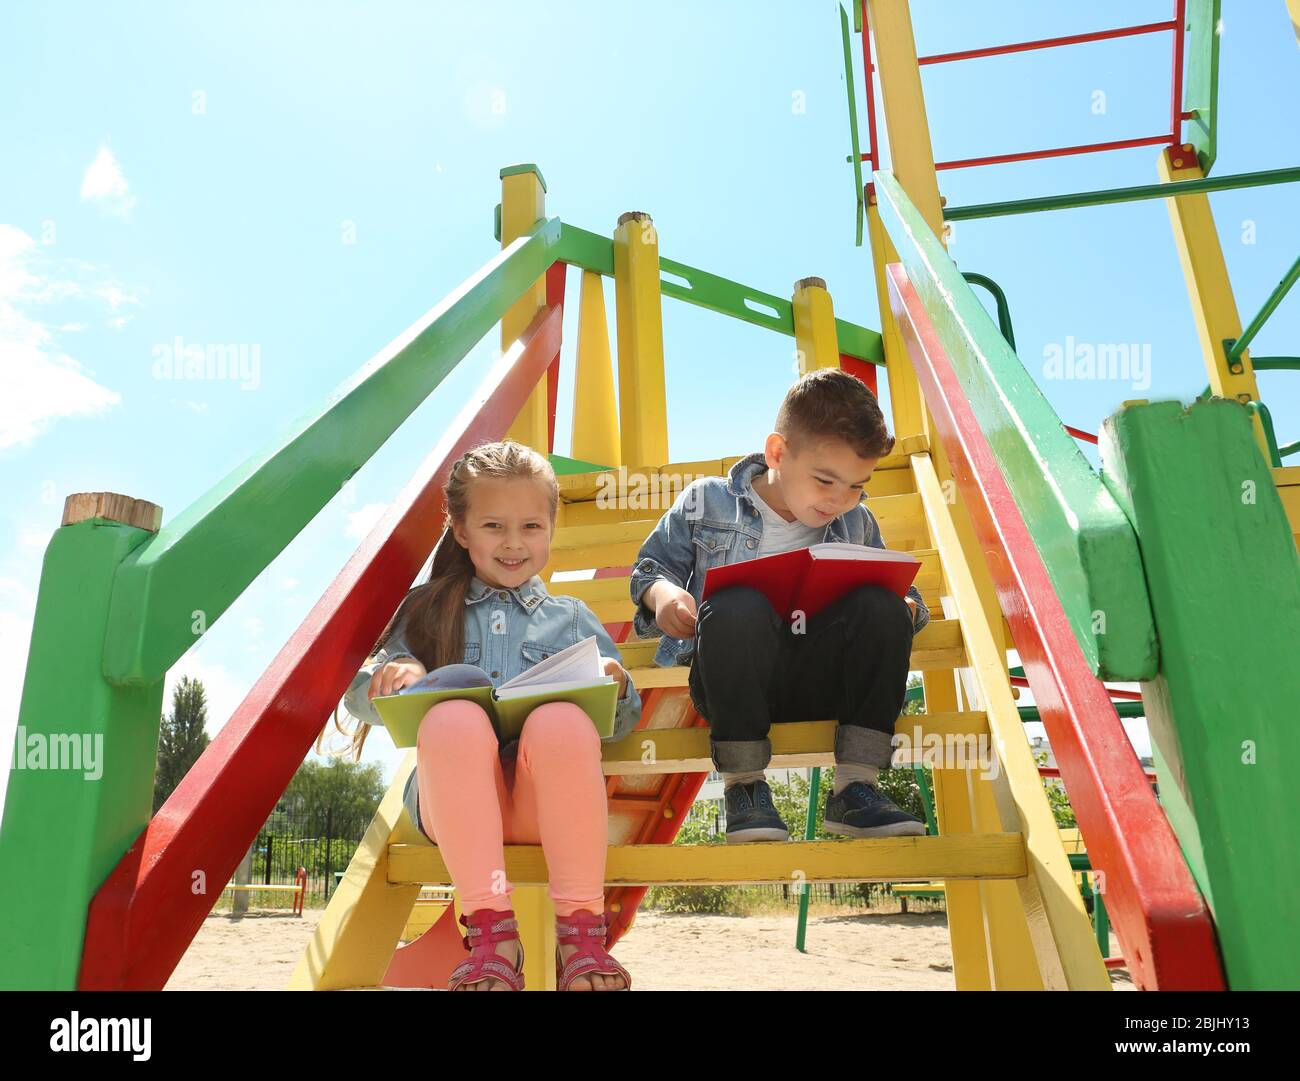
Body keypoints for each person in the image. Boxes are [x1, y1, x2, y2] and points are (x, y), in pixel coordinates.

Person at [325, 440, 639, 990]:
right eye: (494, 526)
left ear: (551, 526)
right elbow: (357, 699)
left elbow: (624, 720)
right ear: (463, 531)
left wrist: (615, 685)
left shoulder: (572, 618)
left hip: (546, 805)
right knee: (450, 717)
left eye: (531, 527)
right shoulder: (425, 609)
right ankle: (493, 934)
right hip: (453, 806)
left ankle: (582, 934)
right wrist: (394, 677)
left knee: (562, 721)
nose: (514, 543)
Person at [629, 368, 929, 843]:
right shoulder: (707, 501)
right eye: (826, 480)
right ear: (777, 453)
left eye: (857, 485)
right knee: (737, 604)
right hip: (736, 685)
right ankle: (745, 788)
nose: (840, 500)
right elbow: (651, 568)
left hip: (826, 682)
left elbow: (903, 593)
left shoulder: (856, 523)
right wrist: (664, 596)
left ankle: (856, 787)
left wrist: (905, 606)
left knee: (882, 605)